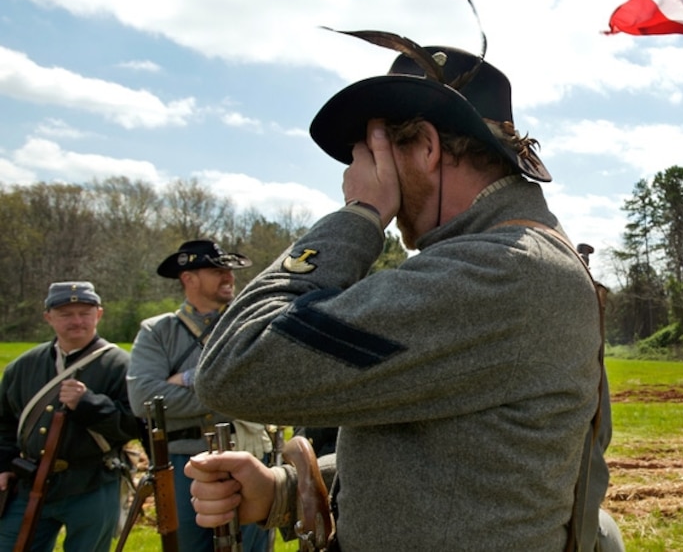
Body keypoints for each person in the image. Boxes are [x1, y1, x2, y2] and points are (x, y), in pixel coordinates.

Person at [186, 34, 621, 551]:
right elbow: (458, 457)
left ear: (427, 149)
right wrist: (286, 488)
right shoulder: (514, 263)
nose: (357, 177)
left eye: (372, 154)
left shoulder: (499, 272)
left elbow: (237, 364)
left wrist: (357, 216)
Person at [127, 240, 273, 552]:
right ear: (188, 278)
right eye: (215, 270)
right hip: (181, 460)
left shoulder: (250, 325)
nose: (228, 277)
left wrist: (186, 382)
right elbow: (144, 399)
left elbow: (264, 386)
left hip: (247, 452)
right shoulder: (157, 331)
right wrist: (229, 397)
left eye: (228, 270)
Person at [0, 281, 141, 552]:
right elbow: (4, 421)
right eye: (66, 314)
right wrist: (3, 463)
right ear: (48, 317)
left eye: (84, 313)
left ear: (98, 314)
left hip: (93, 482)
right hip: (30, 481)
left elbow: (135, 425)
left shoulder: (122, 366)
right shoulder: (23, 366)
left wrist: (88, 404)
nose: (77, 321)